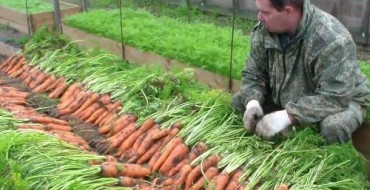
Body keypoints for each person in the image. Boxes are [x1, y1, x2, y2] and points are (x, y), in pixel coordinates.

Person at [231, 0, 370, 144]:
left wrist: (287, 116)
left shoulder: (331, 40)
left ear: (289, 11)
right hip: (289, 95)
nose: (259, 17)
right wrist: (252, 103)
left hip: (342, 99)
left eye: (265, 12)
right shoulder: (263, 31)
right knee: (240, 102)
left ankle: (327, 163)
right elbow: (253, 73)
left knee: (334, 126)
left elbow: (335, 97)